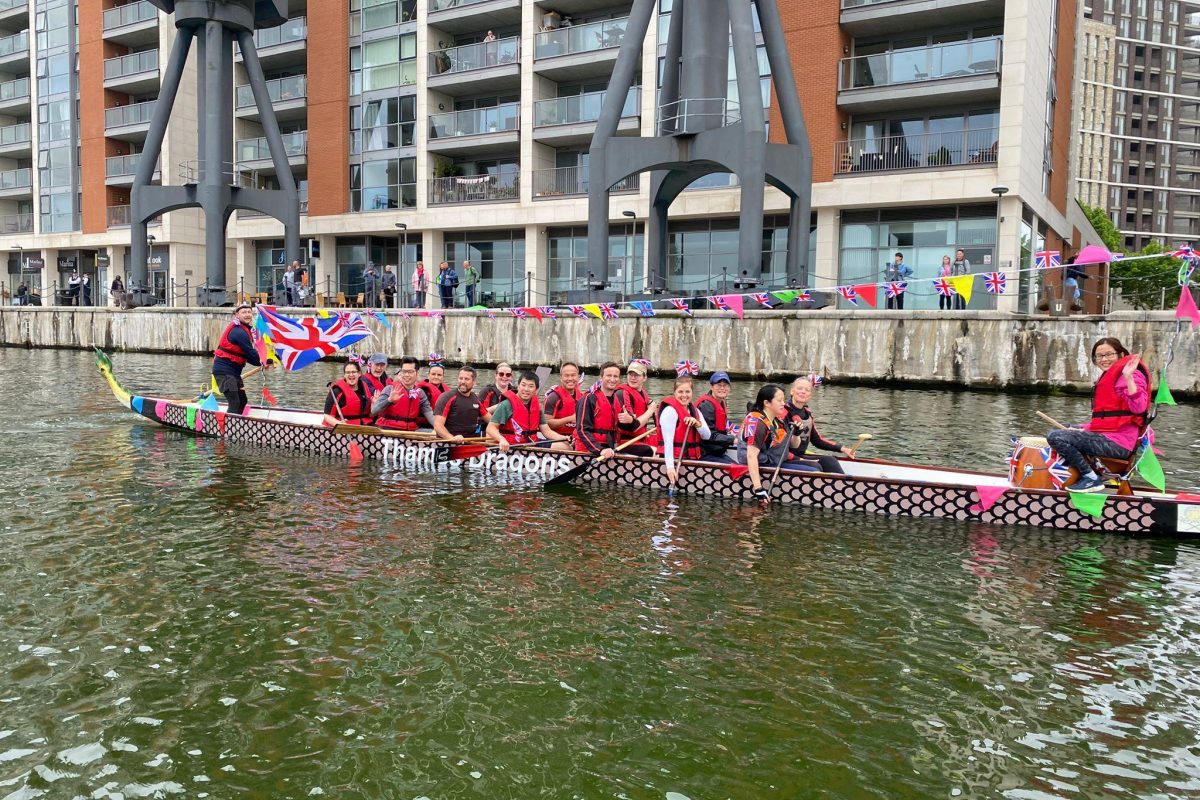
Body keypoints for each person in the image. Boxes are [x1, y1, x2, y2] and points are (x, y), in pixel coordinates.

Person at [1046, 337, 1152, 493]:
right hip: (1109, 436)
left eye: (1109, 354)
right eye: (1100, 356)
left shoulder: (1131, 375)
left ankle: (1090, 477)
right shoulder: (1111, 376)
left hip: (1119, 444)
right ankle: (1090, 473)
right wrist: (1082, 428)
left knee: (1056, 437)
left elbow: (1139, 407)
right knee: (1065, 428)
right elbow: (1107, 420)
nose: (1104, 359)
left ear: (1121, 354)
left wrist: (1128, 376)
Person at [738, 384, 815, 502]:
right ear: (767, 403)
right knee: (813, 471)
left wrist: (796, 433)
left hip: (776, 459)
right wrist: (758, 489)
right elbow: (751, 456)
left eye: (783, 400)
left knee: (816, 466)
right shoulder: (758, 423)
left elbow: (794, 445)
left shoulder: (777, 420)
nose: (783, 404)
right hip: (762, 463)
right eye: (779, 400)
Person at [575, 361, 655, 458]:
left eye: (615, 376)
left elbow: (631, 427)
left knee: (648, 450)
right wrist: (600, 450)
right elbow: (582, 430)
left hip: (610, 448)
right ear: (601, 377)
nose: (612, 379)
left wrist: (630, 420)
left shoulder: (617, 401)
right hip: (589, 450)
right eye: (609, 376)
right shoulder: (588, 399)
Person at [486, 371, 571, 451]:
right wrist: (501, 440)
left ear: (536, 390)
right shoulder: (506, 405)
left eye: (531, 386)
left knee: (565, 446)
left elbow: (546, 431)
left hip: (532, 442)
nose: (526, 389)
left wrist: (563, 438)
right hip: (512, 445)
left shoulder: (537, 406)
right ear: (518, 386)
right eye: (523, 385)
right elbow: (491, 428)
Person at [784, 377, 854, 474]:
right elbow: (778, 446)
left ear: (810, 395)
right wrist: (798, 459)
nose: (803, 392)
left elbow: (817, 440)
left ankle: (843, 482)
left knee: (830, 461)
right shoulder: (783, 412)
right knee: (816, 467)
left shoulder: (807, 413)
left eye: (807, 390)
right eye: (800, 388)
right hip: (785, 457)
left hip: (799, 455)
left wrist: (842, 448)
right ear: (792, 391)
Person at [212, 302, 267, 416]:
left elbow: (247, 356)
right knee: (235, 402)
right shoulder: (238, 332)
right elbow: (252, 354)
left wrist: (265, 361)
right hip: (225, 372)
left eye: (249, 312)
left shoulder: (245, 330)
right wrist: (264, 361)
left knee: (242, 401)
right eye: (244, 312)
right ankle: (229, 425)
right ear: (236, 315)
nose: (247, 315)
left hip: (234, 373)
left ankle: (238, 422)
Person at [656, 376, 711, 485]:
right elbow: (668, 442)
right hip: (675, 460)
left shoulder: (695, 411)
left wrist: (697, 424)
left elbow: (707, 436)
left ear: (692, 393)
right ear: (674, 393)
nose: (684, 395)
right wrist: (670, 468)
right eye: (680, 392)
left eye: (687, 392)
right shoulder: (670, 411)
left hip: (692, 459)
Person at [373, 356, 436, 430]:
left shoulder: (420, 393)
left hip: (409, 431)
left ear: (417, 373)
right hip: (388, 430)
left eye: (410, 372)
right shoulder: (389, 389)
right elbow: (374, 411)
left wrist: (441, 429)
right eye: (404, 371)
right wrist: (389, 400)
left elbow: (430, 415)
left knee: (431, 431)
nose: (406, 375)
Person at [433, 366, 485, 442]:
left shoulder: (475, 399)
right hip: (450, 442)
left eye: (466, 379)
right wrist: (451, 438)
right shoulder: (447, 397)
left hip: (470, 441)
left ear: (474, 382)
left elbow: (490, 420)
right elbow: (438, 426)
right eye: (461, 378)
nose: (462, 382)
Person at [613, 361, 657, 448]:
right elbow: (632, 427)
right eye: (630, 374)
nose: (633, 378)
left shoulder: (643, 394)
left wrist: (655, 413)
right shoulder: (621, 394)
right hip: (625, 442)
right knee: (653, 450)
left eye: (637, 375)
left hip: (641, 438)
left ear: (644, 378)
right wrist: (650, 411)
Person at [696, 371, 736, 461]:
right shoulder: (705, 405)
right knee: (737, 468)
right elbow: (709, 435)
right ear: (711, 387)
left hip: (717, 451)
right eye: (718, 385)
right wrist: (732, 440)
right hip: (704, 453)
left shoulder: (722, 402)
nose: (722, 388)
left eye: (725, 385)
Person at [323, 361, 372, 427]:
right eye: (348, 372)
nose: (351, 375)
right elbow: (327, 416)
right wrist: (339, 424)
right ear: (344, 375)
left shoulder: (364, 388)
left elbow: (369, 413)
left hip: (364, 425)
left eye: (353, 372)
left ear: (359, 373)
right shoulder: (336, 392)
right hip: (345, 427)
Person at [544, 361, 582, 437]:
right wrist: (570, 419)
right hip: (557, 437)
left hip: (577, 437)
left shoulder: (583, 397)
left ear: (578, 377)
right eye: (566, 376)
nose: (570, 378)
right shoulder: (553, 397)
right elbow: (546, 424)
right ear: (561, 378)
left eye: (573, 375)